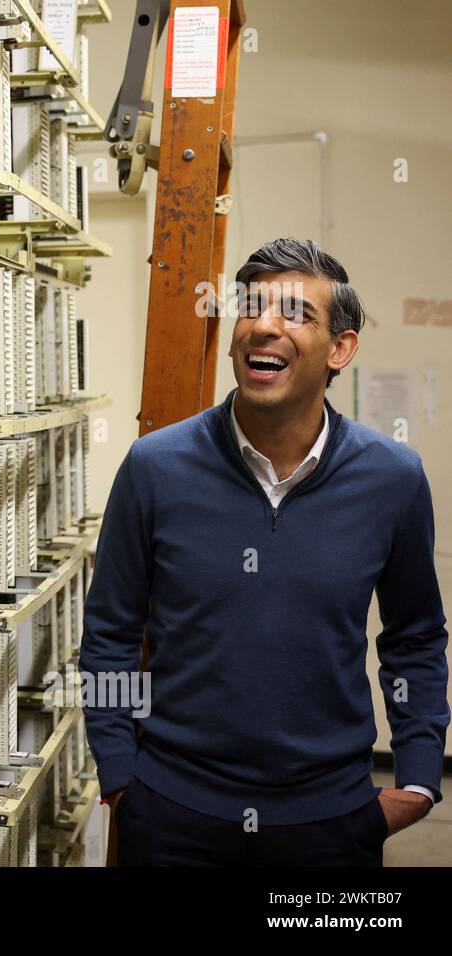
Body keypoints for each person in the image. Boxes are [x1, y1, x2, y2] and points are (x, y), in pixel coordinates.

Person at [79, 238, 449, 865]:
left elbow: (414, 637)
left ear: (341, 348)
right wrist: (120, 773)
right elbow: (112, 632)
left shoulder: (392, 478)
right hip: (173, 817)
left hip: (329, 823)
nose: (265, 326)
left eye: (296, 314)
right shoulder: (156, 467)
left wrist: (416, 775)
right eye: (250, 308)